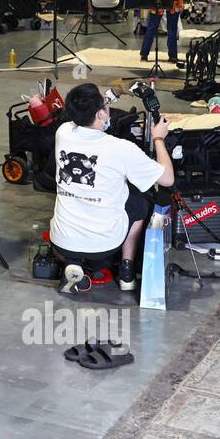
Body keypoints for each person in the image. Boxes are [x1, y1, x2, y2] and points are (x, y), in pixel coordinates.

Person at [50, 83, 174, 293]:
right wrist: (159, 137)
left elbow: (88, 112)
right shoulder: (121, 148)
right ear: (100, 113)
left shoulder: (63, 132)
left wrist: (113, 94)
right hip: (105, 244)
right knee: (139, 201)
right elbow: (168, 179)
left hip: (61, 242)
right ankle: (127, 270)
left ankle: (74, 262)